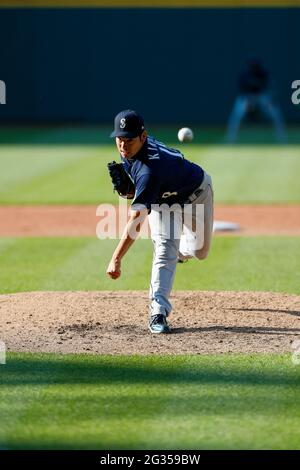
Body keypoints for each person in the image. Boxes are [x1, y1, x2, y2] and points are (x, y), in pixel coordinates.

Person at [106, 110, 214, 334]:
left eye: (129, 140)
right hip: (163, 203)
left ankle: (181, 253)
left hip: (197, 193)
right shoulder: (133, 152)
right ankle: (158, 312)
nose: (123, 146)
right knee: (165, 250)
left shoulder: (149, 171)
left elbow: (136, 220)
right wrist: (133, 191)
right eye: (120, 139)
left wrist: (116, 258)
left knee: (200, 252)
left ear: (143, 137)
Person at [225, 58, 287, 143]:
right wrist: (249, 99)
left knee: (275, 113)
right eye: (252, 66)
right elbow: (241, 89)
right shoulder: (244, 74)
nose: (254, 68)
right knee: (237, 114)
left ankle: (281, 136)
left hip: (262, 96)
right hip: (247, 97)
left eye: (255, 66)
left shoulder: (264, 73)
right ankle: (231, 137)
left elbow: (271, 88)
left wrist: (268, 100)